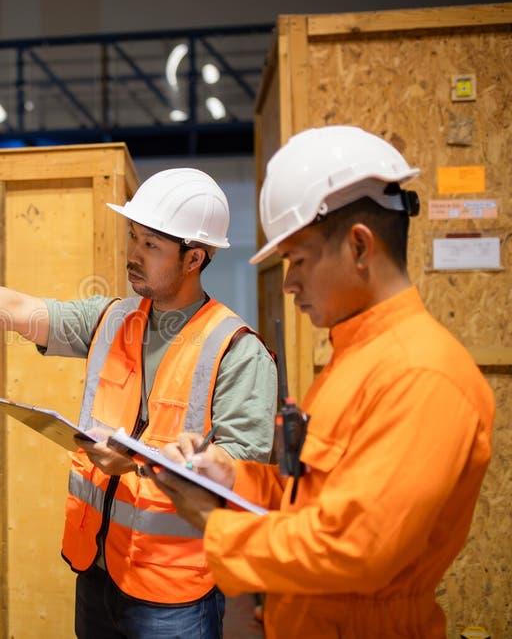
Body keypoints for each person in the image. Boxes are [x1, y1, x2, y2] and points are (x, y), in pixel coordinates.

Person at [0, 168, 277, 639]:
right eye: (133, 238)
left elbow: (245, 478)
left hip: (172, 590)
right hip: (96, 570)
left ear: (194, 257)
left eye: (150, 246)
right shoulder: (112, 317)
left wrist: (135, 466)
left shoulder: (238, 349)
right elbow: (16, 310)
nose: (131, 255)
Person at [152, 126, 495, 637]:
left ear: (359, 246)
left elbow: (352, 547)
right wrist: (230, 477)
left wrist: (211, 520)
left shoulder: (422, 375)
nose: (288, 283)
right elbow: (311, 499)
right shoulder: (354, 358)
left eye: (299, 260)